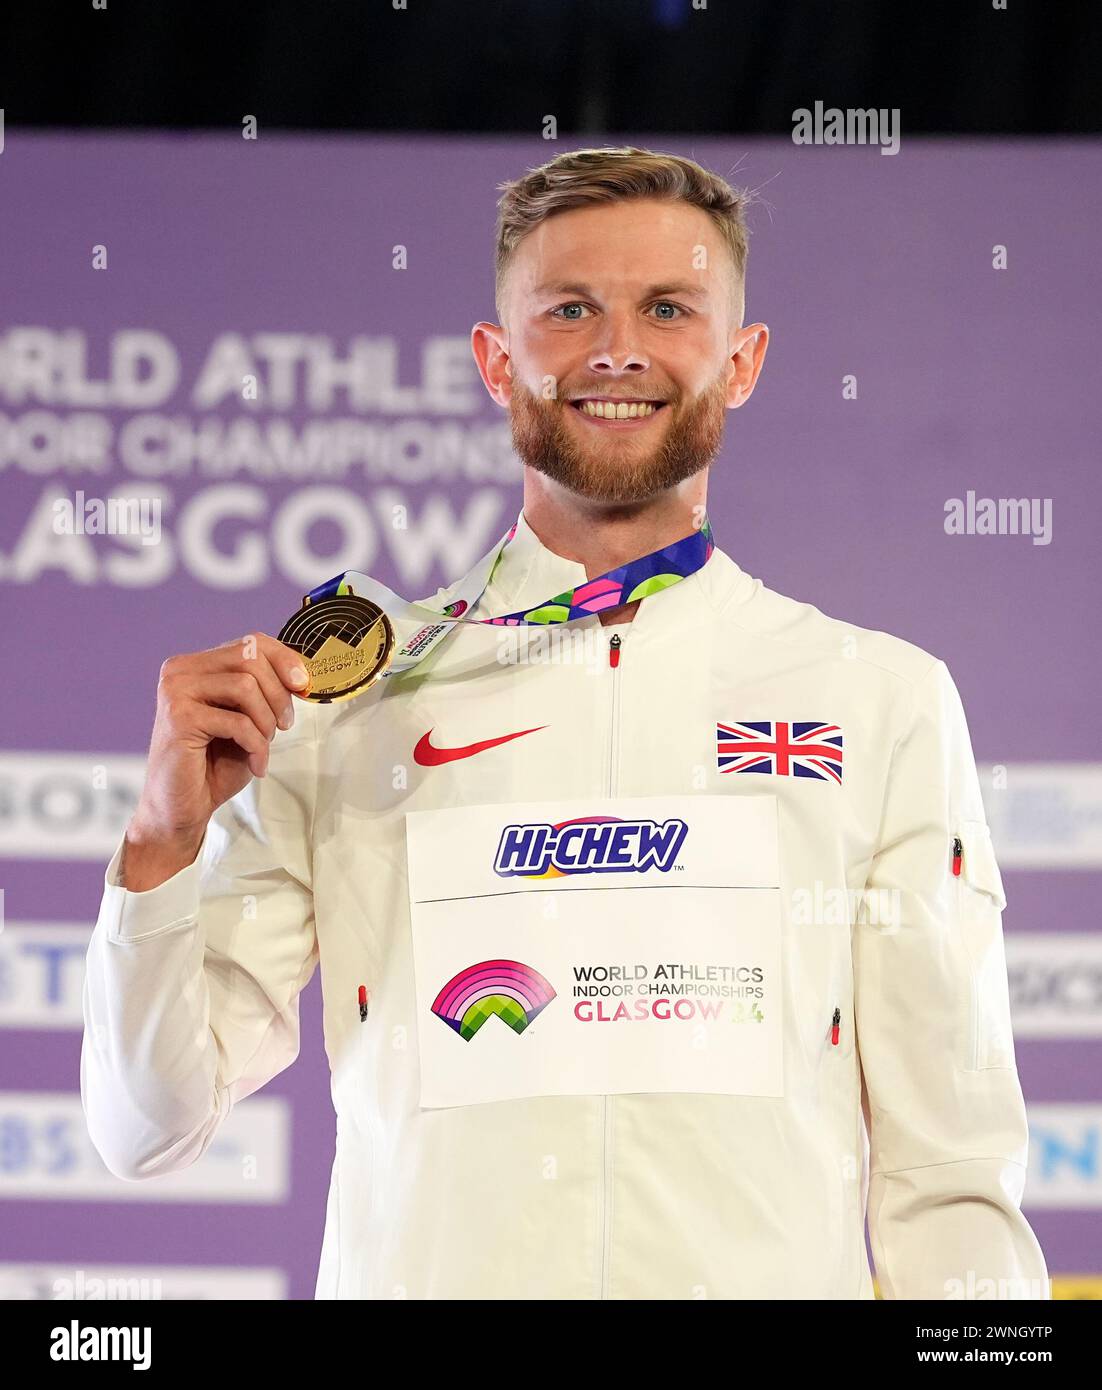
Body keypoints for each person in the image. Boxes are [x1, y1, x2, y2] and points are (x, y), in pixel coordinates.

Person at [81, 146, 1049, 1300]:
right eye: (569, 308)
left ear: (741, 363)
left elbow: (948, 1170)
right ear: (498, 361)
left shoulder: (877, 697)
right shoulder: (341, 704)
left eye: (669, 308)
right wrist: (158, 847)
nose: (617, 348)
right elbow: (145, 1129)